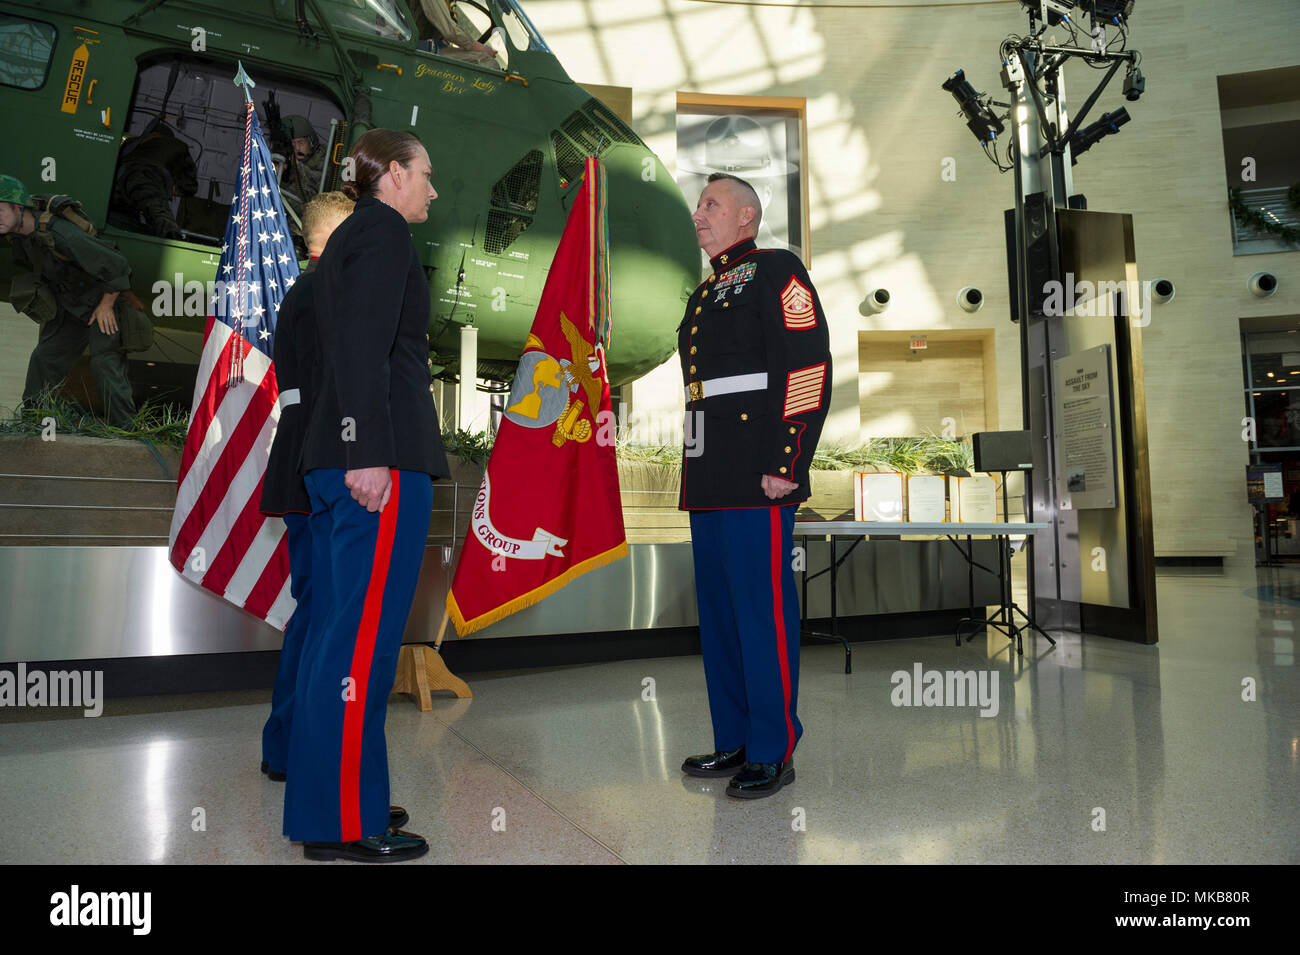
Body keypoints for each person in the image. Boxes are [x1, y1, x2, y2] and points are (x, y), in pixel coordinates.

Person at [287, 130, 451, 862]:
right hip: (372, 464)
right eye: (426, 173)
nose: (433, 190)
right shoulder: (382, 233)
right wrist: (368, 452)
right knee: (359, 649)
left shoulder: (350, 237)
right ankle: (344, 823)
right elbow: (360, 347)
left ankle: (338, 797)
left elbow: (339, 353)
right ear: (392, 174)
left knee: (335, 638)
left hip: (333, 458)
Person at [678, 172, 831, 799]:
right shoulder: (705, 291)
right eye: (700, 204)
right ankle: (735, 737)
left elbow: (808, 366)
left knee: (760, 612)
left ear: (747, 215)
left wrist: (787, 460)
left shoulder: (776, 269)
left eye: (711, 204)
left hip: (757, 471)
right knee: (718, 615)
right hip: (709, 471)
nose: (698, 213)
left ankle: (773, 747)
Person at [1, 175, 138, 429]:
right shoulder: (19, 237)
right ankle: (32, 424)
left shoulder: (61, 233)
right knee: (44, 357)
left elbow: (118, 266)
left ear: (18, 207)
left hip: (103, 301)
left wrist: (106, 305)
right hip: (71, 306)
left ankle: (128, 432)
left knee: (104, 362)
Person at [109, 119, 197, 239]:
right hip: (145, 180)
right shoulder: (175, 147)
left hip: (118, 192)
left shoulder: (132, 147)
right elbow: (189, 185)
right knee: (154, 220)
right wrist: (171, 232)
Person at [278, 115, 326, 241]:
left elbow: (315, 185)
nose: (297, 148)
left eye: (300, 142)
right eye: (293, 144)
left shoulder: (322, 159)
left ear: (311, 141)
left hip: (305, 229)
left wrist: (296, 165)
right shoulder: (291, 159)